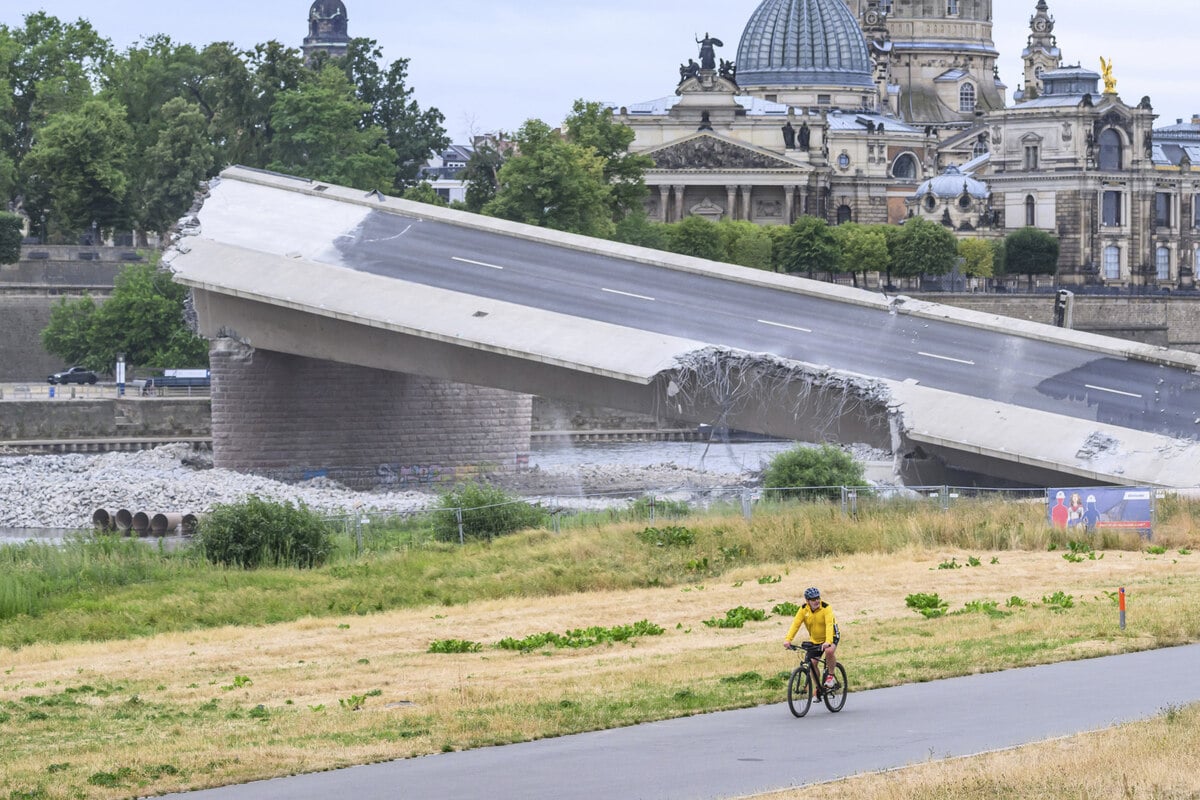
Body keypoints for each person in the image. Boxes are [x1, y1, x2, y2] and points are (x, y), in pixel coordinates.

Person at [783, 587, 840, 690]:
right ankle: (819, 688)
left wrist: (828, 641)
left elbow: (829, 625)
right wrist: (788, 640)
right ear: (807, 601)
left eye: (818, 598)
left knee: (829, 651)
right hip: (815, 640)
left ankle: (831, 676)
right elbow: (796, 625)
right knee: (812, 664)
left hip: (831, 635)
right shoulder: (803, 609)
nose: (817, 601)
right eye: (813, 599)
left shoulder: (826, 608)